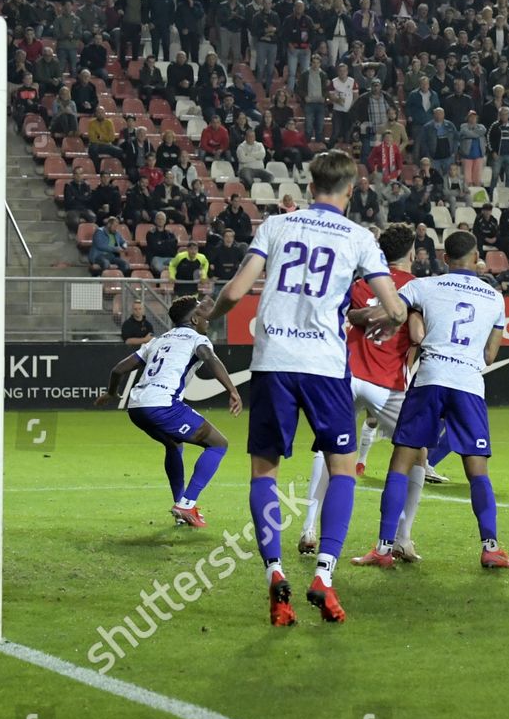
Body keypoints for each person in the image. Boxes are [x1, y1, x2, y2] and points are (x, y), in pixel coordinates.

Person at [207, 150, 407, 626]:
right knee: (342, 470)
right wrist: (379, 318)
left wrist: (206, 315)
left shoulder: (277, 226)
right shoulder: (359, 238)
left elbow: (235, 293)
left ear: (309, 181)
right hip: (324, 366)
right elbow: (396, 309)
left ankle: (275, 572)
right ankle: (324, 576)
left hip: (273, 361)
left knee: (264, 473)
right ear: (352, 190)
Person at [352, 230, 509, 569]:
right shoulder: (495, 298)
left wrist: (398, 317)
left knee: (401, 462)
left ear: (445, 258)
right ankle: (490, 548)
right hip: (468, 385)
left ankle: (384, 549)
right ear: (477, 260)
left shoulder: (423, 287)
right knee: (477, 470)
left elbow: (390, 311)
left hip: (429, 378)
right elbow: (490, 355)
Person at [299, 225, 425, 558]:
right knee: (416, 452)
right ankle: (403, 536)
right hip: (387, 382)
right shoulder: (417, 287)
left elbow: (342, 315)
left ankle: (309, 528)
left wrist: (362, 315)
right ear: (412, 252)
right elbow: (417, 334)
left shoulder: (360, 283)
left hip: (348, 375)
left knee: (328, 449)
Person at [96, 295, 241, 528]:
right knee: (218, 444)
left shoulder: (157, 340)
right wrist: (232, 390)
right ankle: (186, 503)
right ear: (194, 319)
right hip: (162, 405)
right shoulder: (196, 339)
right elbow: (211, 359)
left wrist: (112, 393)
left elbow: (118, 369)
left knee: (174, 444)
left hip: (136, 407)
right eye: (203, 314)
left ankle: (180, 506)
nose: (208, 319)